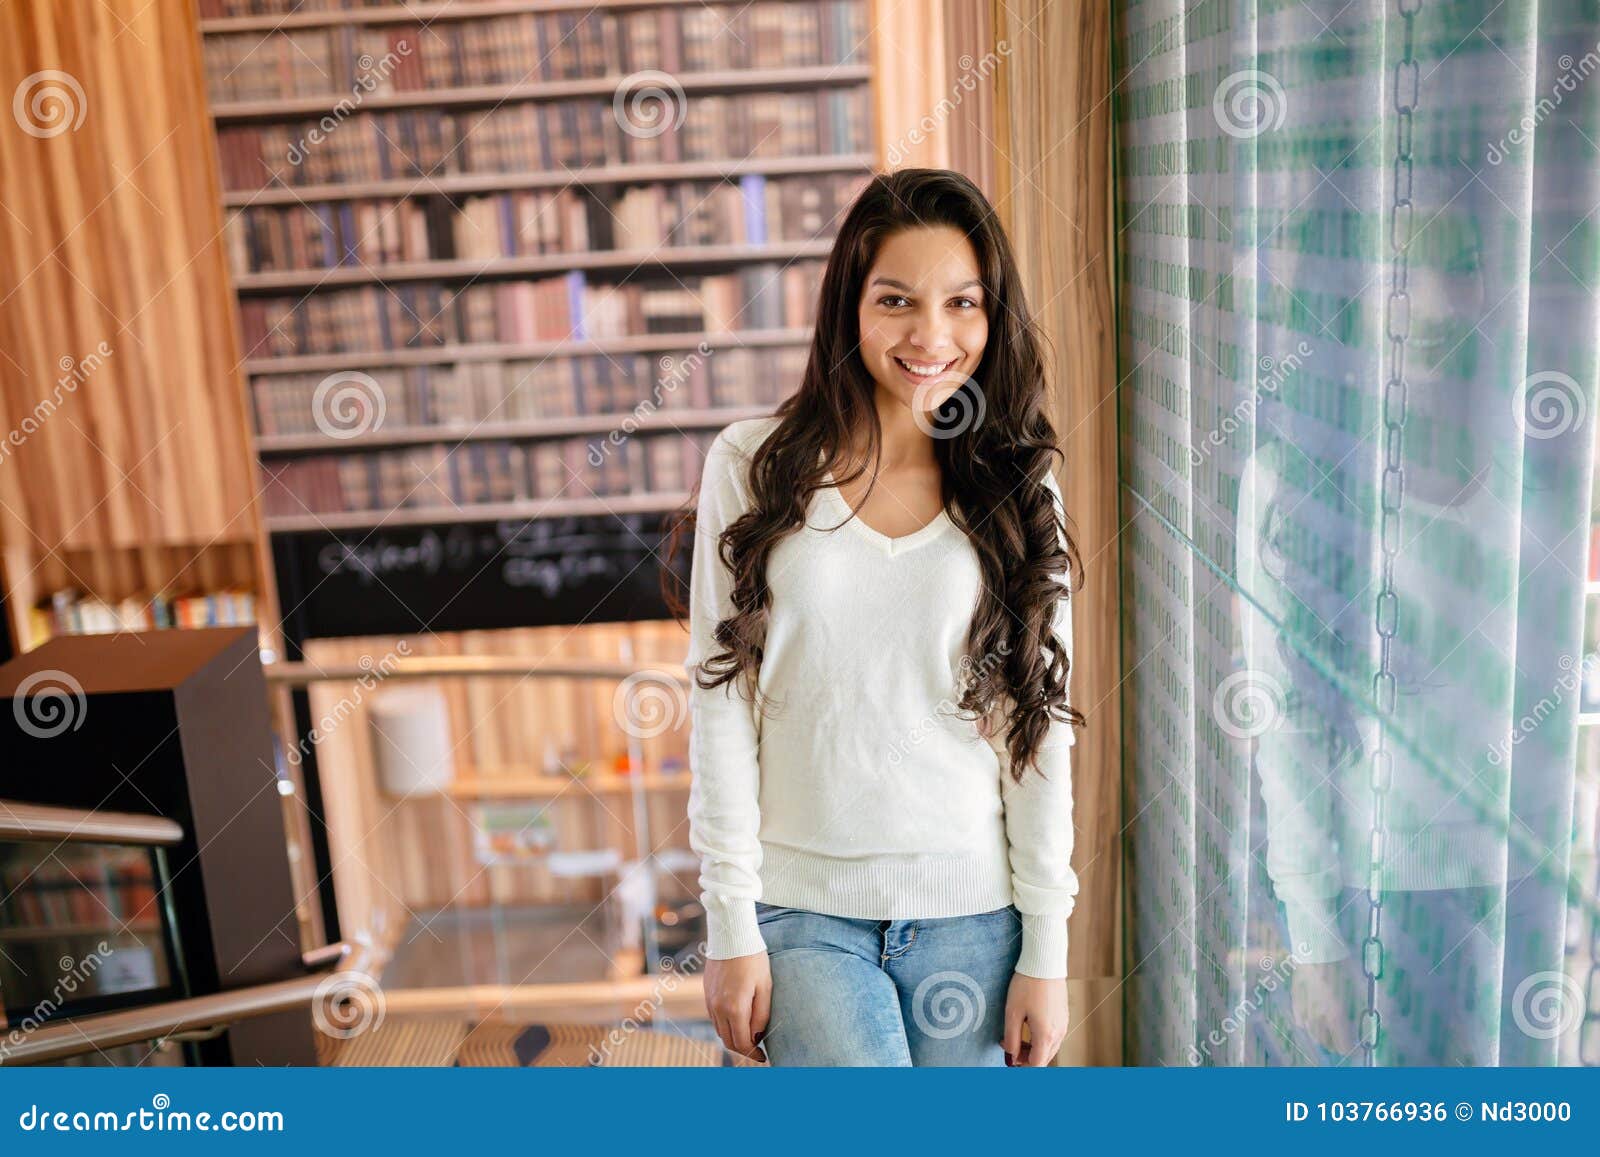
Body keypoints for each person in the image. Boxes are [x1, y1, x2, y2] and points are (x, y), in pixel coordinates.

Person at [664, 168, 1083, 1067]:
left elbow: (1036, 723)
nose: (931, 335)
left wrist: (1046, 947)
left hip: (975, 917)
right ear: (850, 307)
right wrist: (730, 920)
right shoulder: (752, 466)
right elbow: (720, 701)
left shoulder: (1016, 486)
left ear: (991, 316)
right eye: (896, 300)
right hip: (803, 912)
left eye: (961, 303)